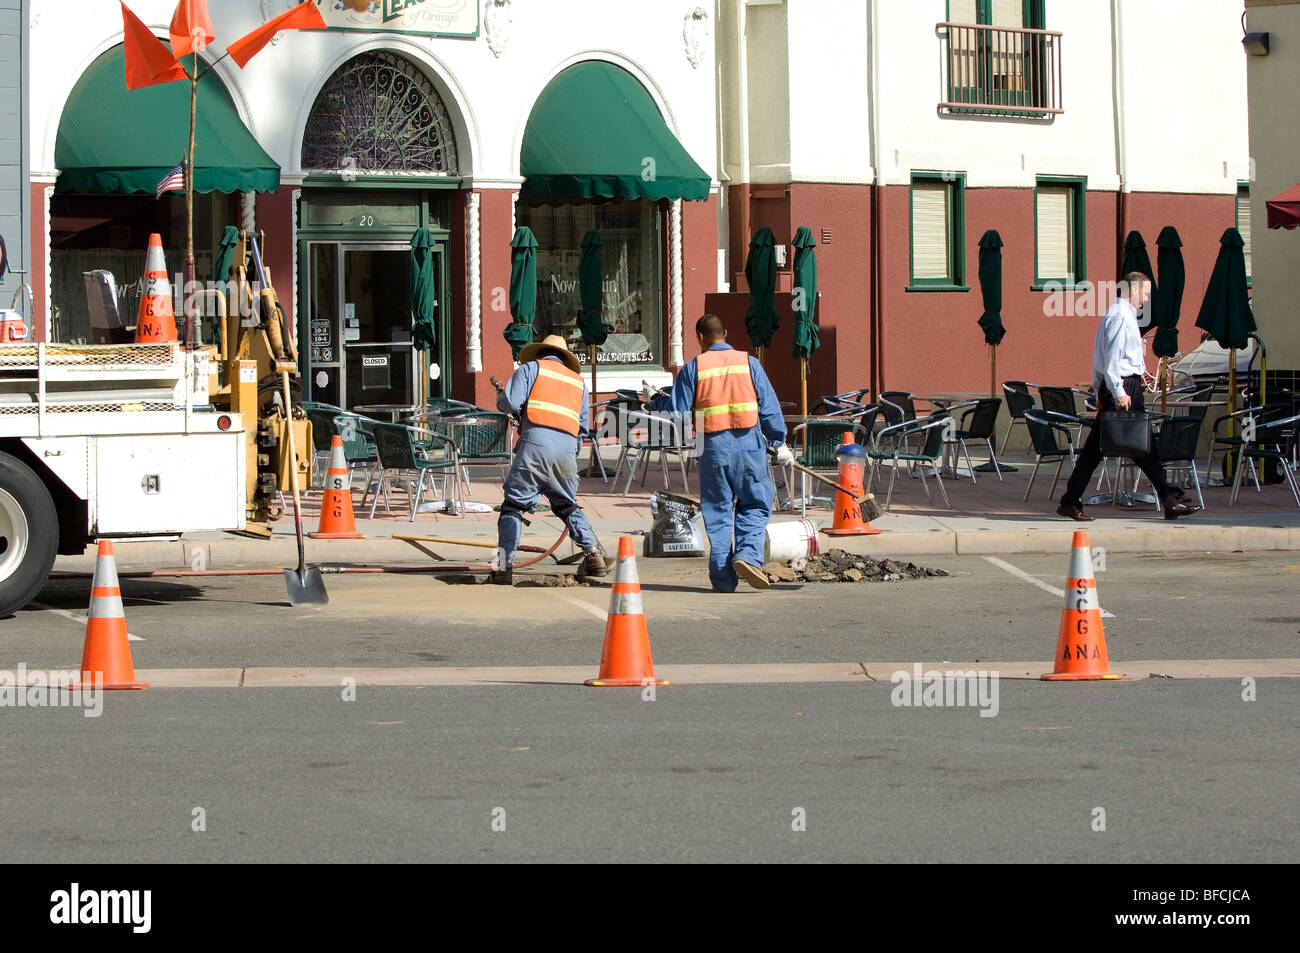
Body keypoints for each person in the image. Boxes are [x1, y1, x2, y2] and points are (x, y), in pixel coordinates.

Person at [648, 314, 793, 592]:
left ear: (700, 338)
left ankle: (723, 580)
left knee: (717, 512)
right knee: (755, 503)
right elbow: (770, 407)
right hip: (749, 446)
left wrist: (656, 398)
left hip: (712, 448)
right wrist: (779, 441)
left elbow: (677, 413)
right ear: (725, 332)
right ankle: (748, 556)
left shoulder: (694, 367)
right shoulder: (749, 363)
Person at [1056, 273, 1200, 522]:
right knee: (1137, 445)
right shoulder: (1121, 316)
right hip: (1124, 387)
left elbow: (1098, 359)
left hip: (1119, 387)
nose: (1146, 298)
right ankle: (1169, 498)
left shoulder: (1118, 314)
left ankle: (1169, 498)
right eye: (1145, 292)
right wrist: (1118, 391)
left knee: (1132, 447)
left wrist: (1100, 388)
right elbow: (1112, 359)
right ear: (1134, 290)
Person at [494, 334, 607, 584]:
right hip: (566, 451)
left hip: (534, 447)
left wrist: (501, 399)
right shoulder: (578, 382)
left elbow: (511, 402)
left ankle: (503, 567)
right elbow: (582, 428)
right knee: (566, 505)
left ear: (539, 354)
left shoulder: (531, 369)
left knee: (513, 505)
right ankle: (593, 554)